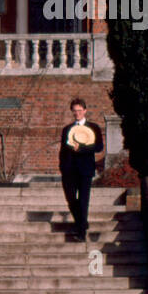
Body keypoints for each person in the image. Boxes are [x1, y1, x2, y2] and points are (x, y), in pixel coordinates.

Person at [59, 98, 104, 239]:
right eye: (75, 111)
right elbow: (63, 150)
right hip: (69, 170)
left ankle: (81, 232)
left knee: (84, 200)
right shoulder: (67, 129)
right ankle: (82, 222)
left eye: (80, 110)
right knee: (71, 199)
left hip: (85, 169)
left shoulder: (94, 128)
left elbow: (99, 147)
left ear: (85, 111)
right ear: (72, 112)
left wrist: (82, 149)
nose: (77, 113)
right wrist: (62, 167)